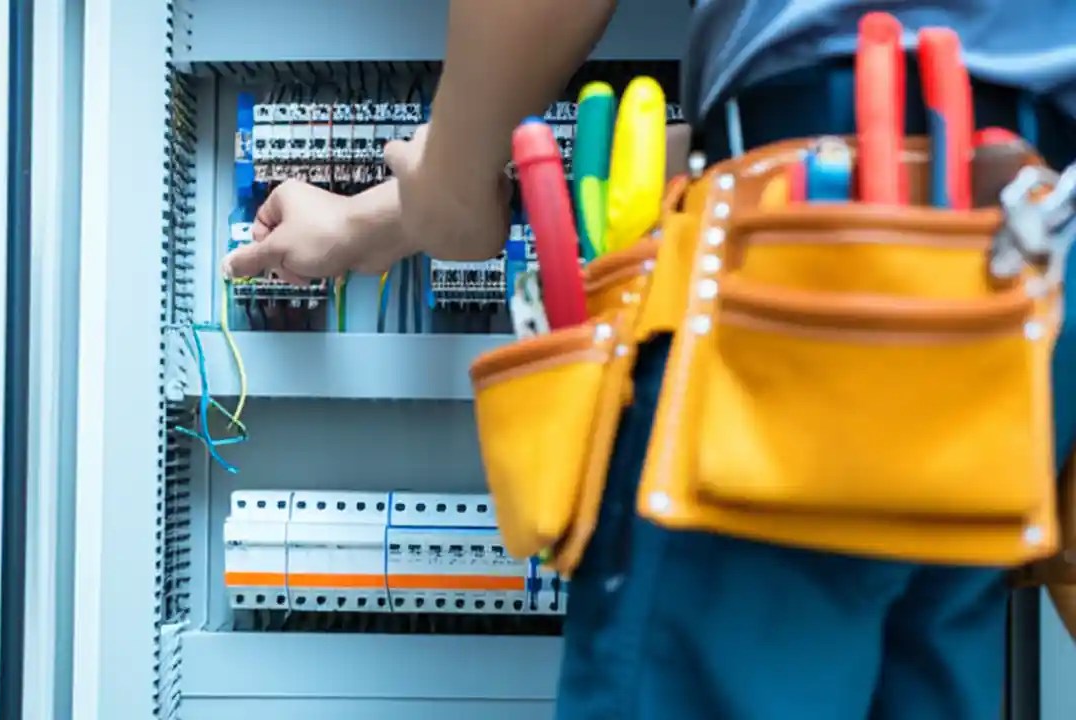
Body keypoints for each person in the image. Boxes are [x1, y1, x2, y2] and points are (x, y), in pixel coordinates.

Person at [224, 1, 1076, 717]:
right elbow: (707, 151)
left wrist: (449, 189)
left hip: (816, 260)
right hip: (1034, 257)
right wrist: (384, 218)